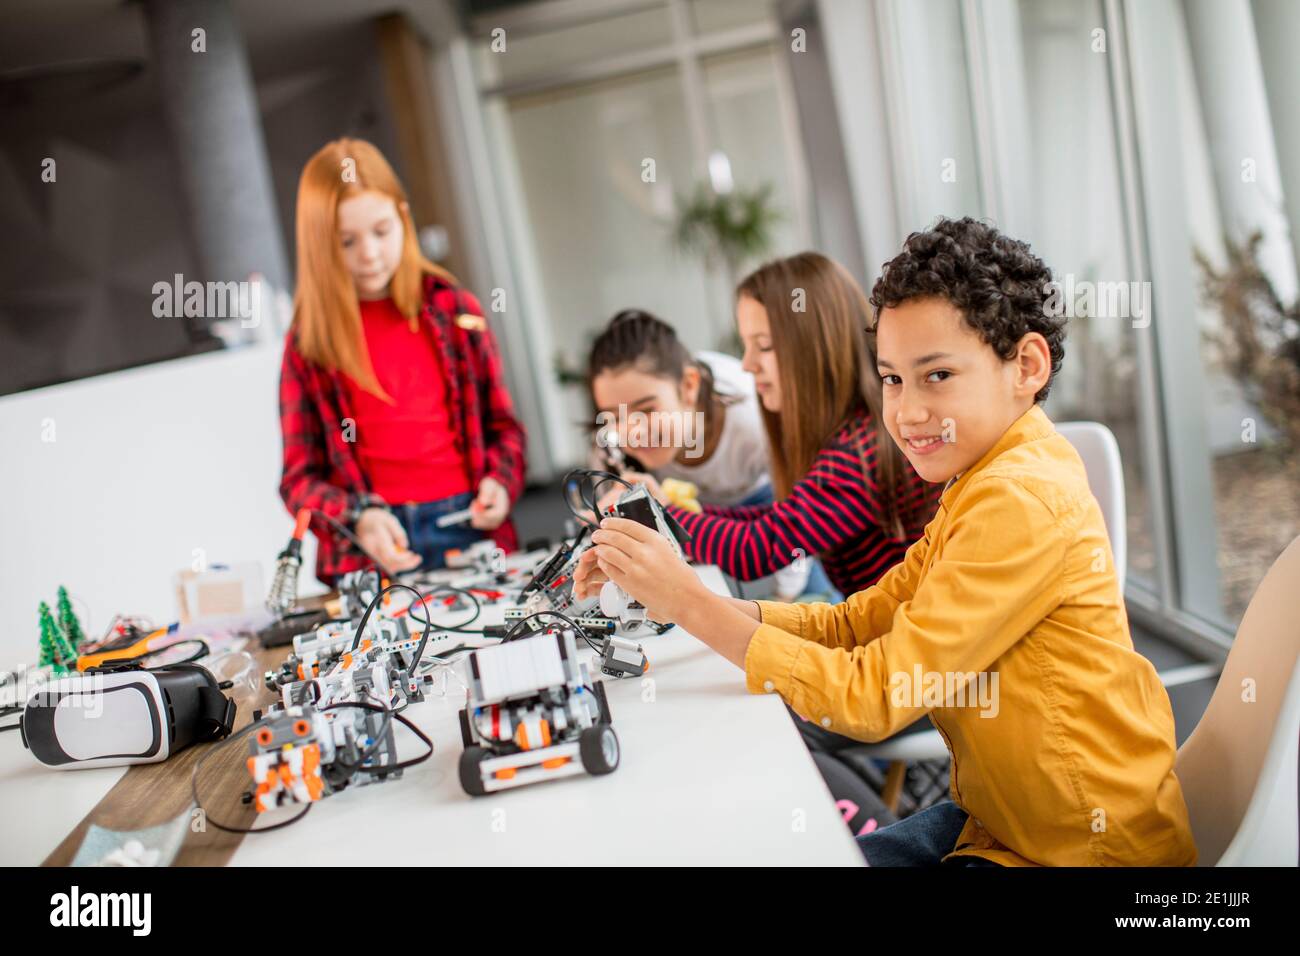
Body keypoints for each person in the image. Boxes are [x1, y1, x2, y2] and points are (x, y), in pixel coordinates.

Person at [575, 218, 1196, 867]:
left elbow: (876, 696)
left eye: (937, 376)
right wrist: (678, 598)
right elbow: (857, 621)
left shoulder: (1018, 499)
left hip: (1077, 851)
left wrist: (688, 599)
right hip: (1001, 818)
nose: (904, 412)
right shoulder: (976, 482)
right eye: (893, 380)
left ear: (1027, 366)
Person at [598, 253, 938, 602]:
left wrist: (665, 516)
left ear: (816, 346)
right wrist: (667, 505)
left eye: (764, 346)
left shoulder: (858, 451)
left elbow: (759, 547)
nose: (747, 365)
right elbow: (776, 518)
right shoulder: (848, 434)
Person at [278, 138, 526, 584]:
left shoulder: (456, 310)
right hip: (371, 555)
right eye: (346, 241)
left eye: (381, 231)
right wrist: (356, 518)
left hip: (473, 533)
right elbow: (298, 481)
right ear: (318, 246)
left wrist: (500, 484)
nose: (369, 254)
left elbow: (505, 430)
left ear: (403, 218)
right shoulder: (308, 344)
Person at [586, 309, 811, 599]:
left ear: (689, 386)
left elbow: (793, 532)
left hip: (765, 499)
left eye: (646, 410)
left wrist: (785, 601)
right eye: (615, 416)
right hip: (678, 505)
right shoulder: (610, 444)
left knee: (811, 602)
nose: (633, 431)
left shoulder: (757, 417)